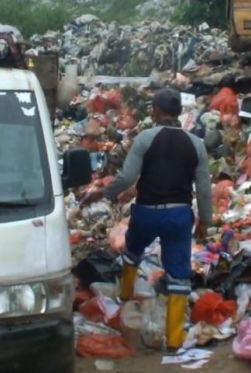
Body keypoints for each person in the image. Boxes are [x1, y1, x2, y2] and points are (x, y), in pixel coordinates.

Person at [81, 88, 213, 349]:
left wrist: (106, 193)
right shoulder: (195, 144)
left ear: (156, 110)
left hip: (147, 212)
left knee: (132, 251)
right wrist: (205, 221)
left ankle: (125, 296)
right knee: (178, 274)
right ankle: (175, 340)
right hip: (178, 215)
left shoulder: (145, 138)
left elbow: (128, 177)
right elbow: (204, 187)